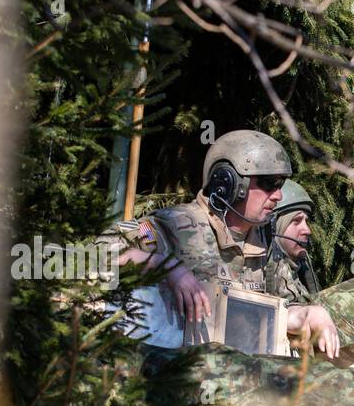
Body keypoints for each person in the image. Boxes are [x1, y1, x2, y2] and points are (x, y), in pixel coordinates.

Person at [103, 129, 338, 357]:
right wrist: (165, 266)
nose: (277, 195)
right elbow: (85, 260)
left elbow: (282, 310)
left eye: (279, 185)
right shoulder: (175, 226)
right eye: (268, 183)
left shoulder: (265, 245)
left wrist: (305, 313)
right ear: (227, 183)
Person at [265, 179, 339, 358]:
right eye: (297, 221)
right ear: (275, 226)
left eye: (306, 221)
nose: (307, 230)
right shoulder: (268, 270)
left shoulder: (296, 270)